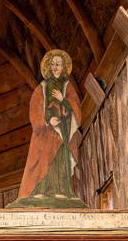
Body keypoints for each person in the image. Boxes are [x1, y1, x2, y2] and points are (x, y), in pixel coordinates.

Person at [17, 50, 81, 199]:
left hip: (61, 130)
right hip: (46, 131)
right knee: (43, 159)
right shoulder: (43, 86)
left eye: (57, 64)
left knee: (59, 158)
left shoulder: (67, 86)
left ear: (64, 66)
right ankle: (40, 191)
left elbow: (76, 105)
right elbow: (36, 107)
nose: (54, 67)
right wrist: (48, 120)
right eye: (52, 64)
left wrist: (63, 99)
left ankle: (60, 190)